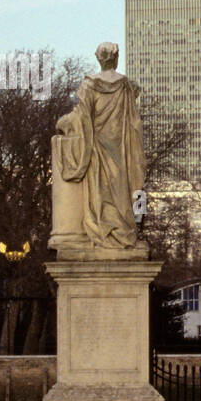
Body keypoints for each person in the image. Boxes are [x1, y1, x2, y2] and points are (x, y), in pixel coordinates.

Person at [54, 42, 147, 250]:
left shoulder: (90, 85)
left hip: (97, 147)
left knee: (100, 191)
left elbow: (82, 117)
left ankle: (105, 230)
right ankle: (122, 231)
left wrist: (64, 122)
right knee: (121, 188)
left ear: (99, 59)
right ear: (116, 58)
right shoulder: (125, 86)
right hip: (122, 148)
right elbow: (134, 122)